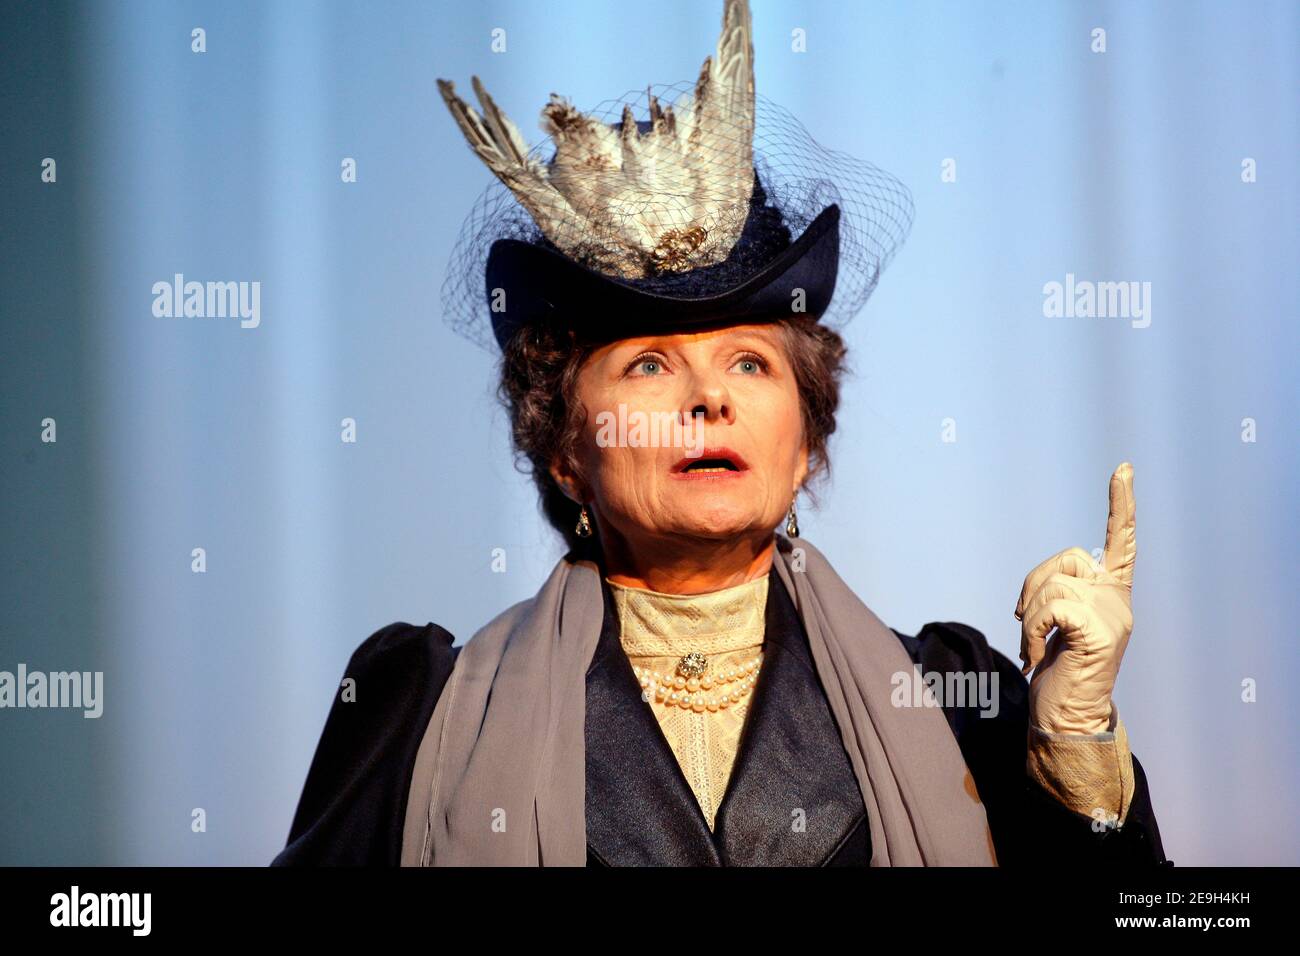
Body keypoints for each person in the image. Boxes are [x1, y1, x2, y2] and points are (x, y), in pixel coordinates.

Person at [273, 0, 1168, 867]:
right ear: (564, 452)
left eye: (750, 362)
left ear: (808, 438)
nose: (709, 398)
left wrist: (1076, 749)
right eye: (648, 366)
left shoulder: (956, 699)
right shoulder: (423, 713)